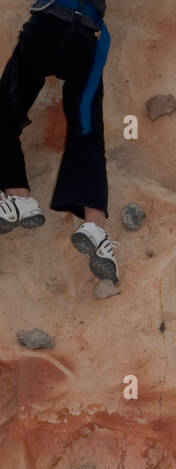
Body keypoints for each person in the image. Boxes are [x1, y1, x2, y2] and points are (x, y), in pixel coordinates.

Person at [0, 0, 117, 282]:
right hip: (86, 37)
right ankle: (96, 229)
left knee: (4, 111)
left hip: (48, 25)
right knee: (87, 132)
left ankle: (19, 197)